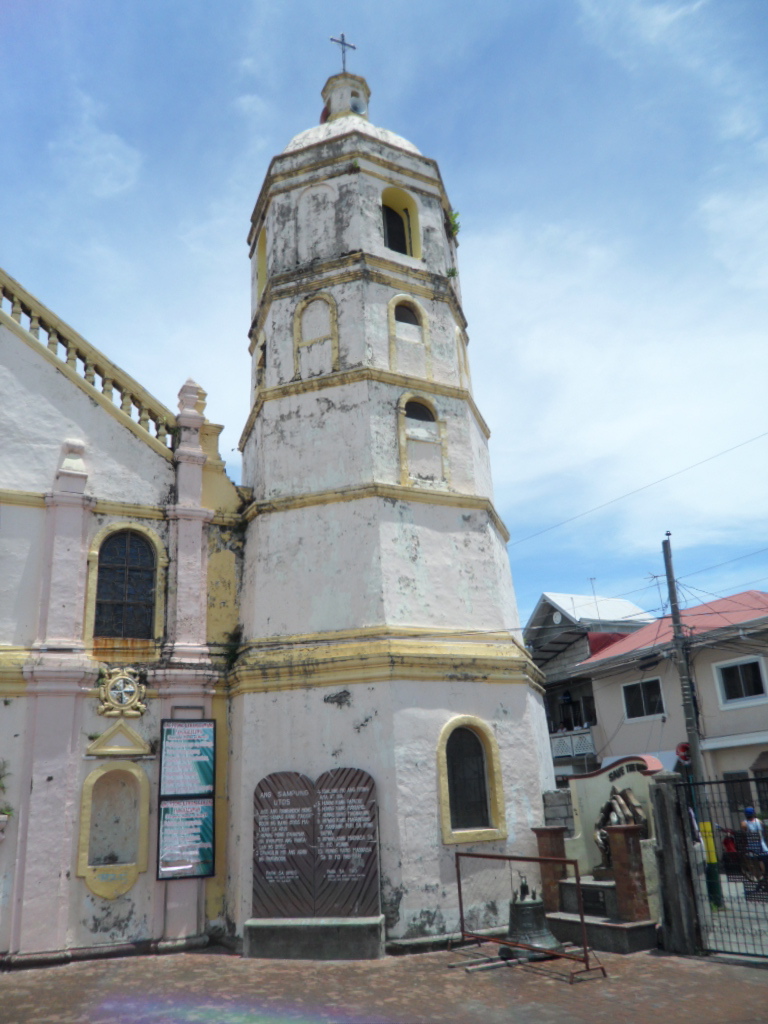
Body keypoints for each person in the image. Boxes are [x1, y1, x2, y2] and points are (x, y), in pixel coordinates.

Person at [741, 807, 768, 890]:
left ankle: (761, 880)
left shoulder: (744, 823)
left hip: (752, 848)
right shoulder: (759, 821)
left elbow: (743, 830)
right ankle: (765, 879)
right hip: (762, 847)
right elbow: (764, 832)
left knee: (754, 865)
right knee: (764, 864)